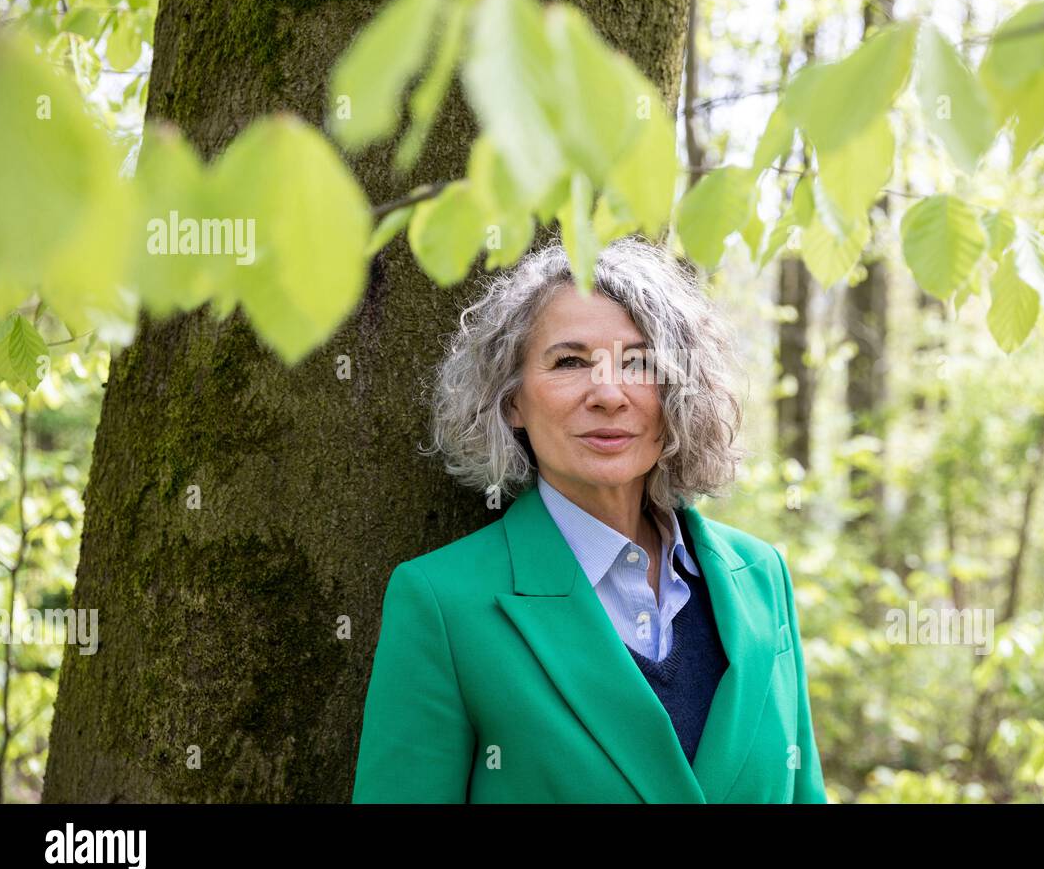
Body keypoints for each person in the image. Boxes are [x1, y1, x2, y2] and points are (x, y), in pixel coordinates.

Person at [351, 236, 827, 803]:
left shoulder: (761, 575)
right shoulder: (441, 602)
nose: (608, 392)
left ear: (677, 391)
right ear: (512, 401)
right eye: (570, 361)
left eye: (638, 363)